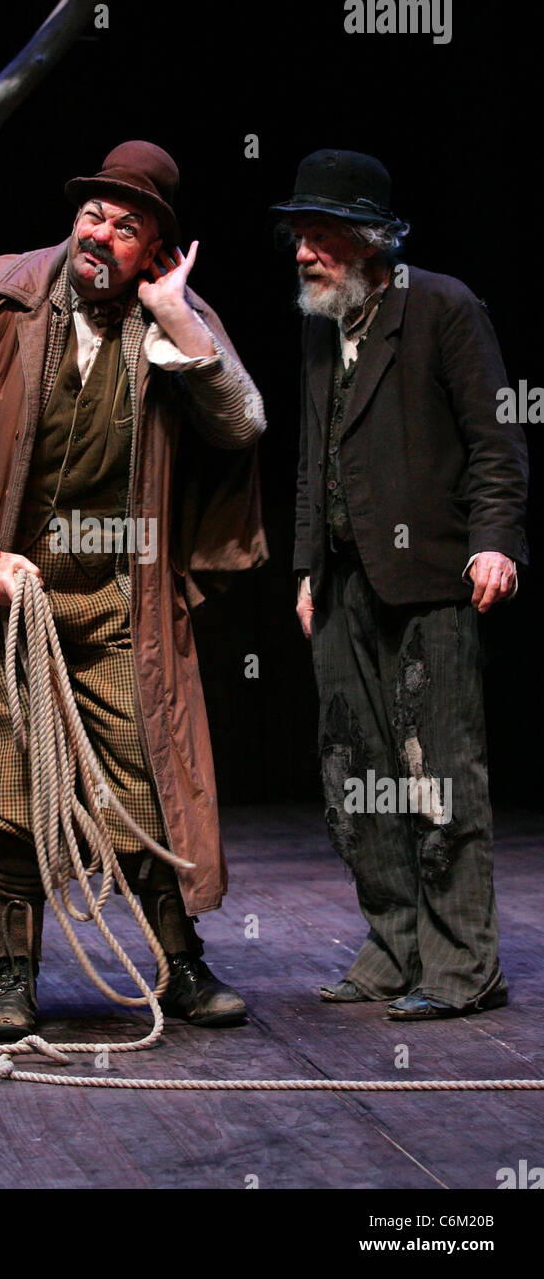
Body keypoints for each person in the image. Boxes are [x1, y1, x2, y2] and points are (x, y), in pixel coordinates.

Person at [0, 141, 267, 1039]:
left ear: (157, 251)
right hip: (8, 601)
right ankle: (15, 966)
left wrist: (182, 322)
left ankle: (180, 960)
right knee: (17, 787)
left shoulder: (166, 322)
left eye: (130, 228)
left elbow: (243, 423)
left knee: (151, 770)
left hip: (117, 600)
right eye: (95, 214)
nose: (102, 235)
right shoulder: (2, 302)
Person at [277, 148, 528, 1020]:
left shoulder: (445, 309)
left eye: (321, 237)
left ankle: (464, 967)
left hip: (429, 579)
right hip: (345, 585)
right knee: (357, 774)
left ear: (370, 240)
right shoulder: (321, 324)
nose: (304, 253)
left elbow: (498, 439)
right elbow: (313, 458)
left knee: (438, 777)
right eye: (300, 237)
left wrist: (496, 543)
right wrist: (307, 567)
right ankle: (395, 946)